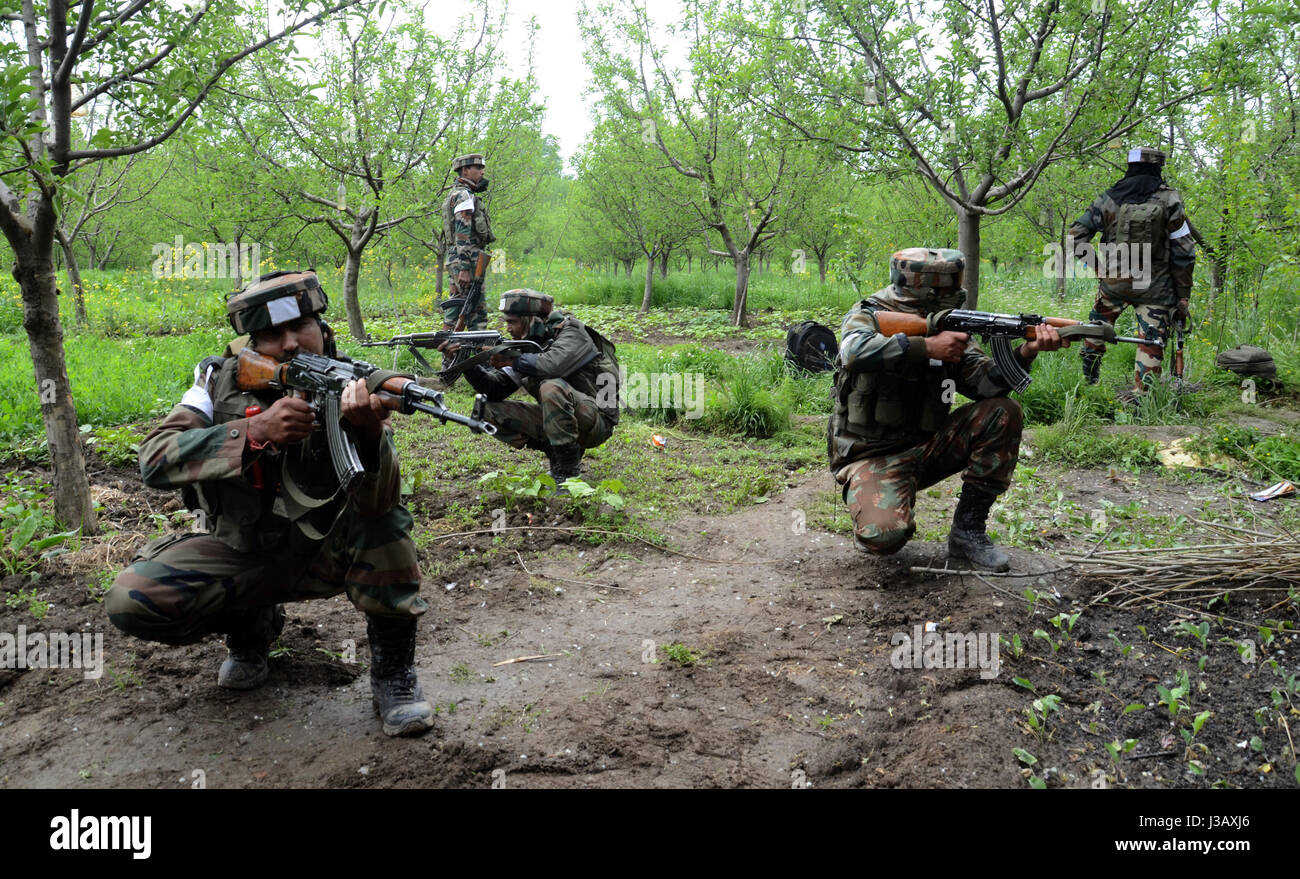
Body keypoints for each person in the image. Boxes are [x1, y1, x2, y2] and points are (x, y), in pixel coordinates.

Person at [104, 270, 435, 737]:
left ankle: (393, 676)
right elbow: (154, 461)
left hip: (328, 554)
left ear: (322, 327)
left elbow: (379, 502)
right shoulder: (215, 384)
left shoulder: (354, 385)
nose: (290, 343)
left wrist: (367, 431)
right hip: (245, 552)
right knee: (133, 598)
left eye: (300, 326)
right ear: (251, 344)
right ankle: (251, 632)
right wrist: (254, 431)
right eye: (270, 334)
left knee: (385, 526)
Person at [828, 248, 1066, 572]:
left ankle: (968, 531)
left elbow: (984, 385)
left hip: (929, 446)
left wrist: (1026, 350)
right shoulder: (869, 314)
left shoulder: (950, 324)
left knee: (1002, 411)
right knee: (884, 536)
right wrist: (925, 347)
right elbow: (852, 351)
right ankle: (876, 494)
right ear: (927, 290)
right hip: (871, 455)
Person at [455, 288, 619, 486]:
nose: (507, 329)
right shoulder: (529, 345)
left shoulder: (572, 332)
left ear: (532, 319)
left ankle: (568, 473)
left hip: (597, 421)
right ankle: (555, 451)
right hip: (564, 418)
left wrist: (511, 360)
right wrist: (465, 361)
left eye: (512, 322)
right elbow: (495, 389)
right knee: (486, 409)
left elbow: (552, 365)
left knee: (552, 387)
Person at [1068, 146, 1196, 392]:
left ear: (1130, 167)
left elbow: (1075, 237)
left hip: (1114, 283)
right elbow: (1184, 250)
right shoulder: (1170, 199)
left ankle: (1089, 384)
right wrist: (1183, 295)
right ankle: (1142, 400)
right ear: (1158, 168)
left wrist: (1098, 268)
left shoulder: (1110, 198)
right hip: (1155, 288)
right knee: (1151, 341)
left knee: (1096, 328)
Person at [440, 153, 495, 333]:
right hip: (467, 260)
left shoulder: (457, 194)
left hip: (459, 258)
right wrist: (464, 268)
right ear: (465, 170)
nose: (482, 172)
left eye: (482, 168)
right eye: (478, 168)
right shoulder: (463, 195)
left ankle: (450, 358)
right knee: (477, 315)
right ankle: (479, 358)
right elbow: (462, 233)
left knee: (454, 313)